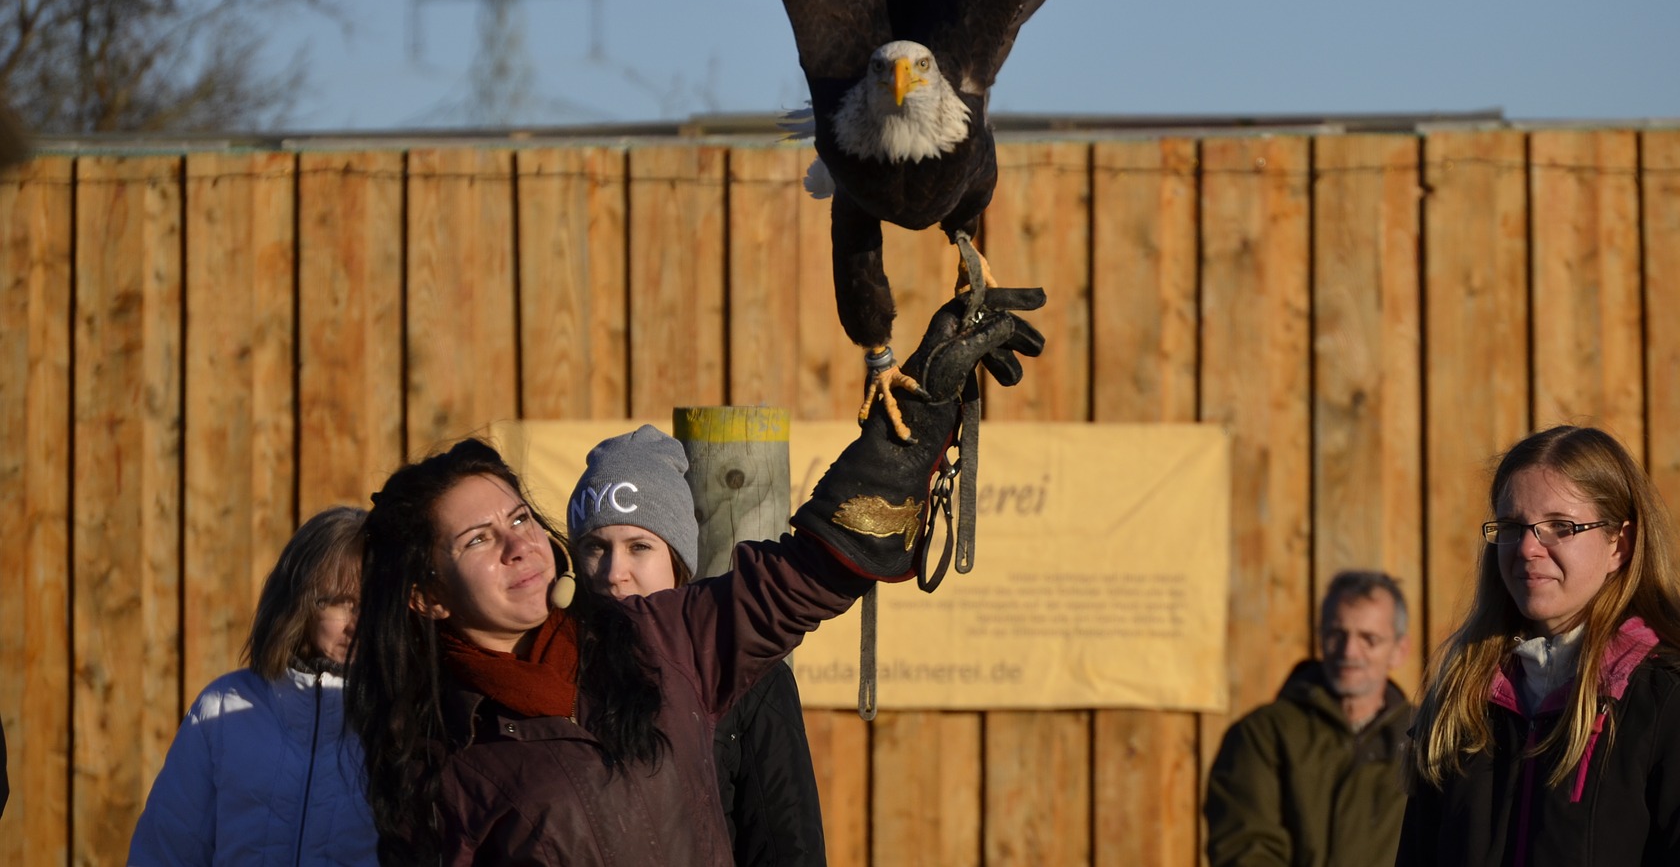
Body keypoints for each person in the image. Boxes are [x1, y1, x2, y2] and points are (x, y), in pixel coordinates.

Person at [346, 287, 1043, 865]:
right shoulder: (437, 760)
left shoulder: (661, 638)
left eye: (520, 518)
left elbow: (809, 570)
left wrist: (918, 410)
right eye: (478, 538)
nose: (517, 544)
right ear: (425, 594)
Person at [1396, 425, 1680, 866]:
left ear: (1619, 545)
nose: (1529, 548)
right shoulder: (1461, 699)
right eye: (1513, 526)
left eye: (1559, 527)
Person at [567, 425, 828, 867]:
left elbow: (787, 847)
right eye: (596, 546)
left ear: (677, 561)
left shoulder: (749, 673)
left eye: (639, 546)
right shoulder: (549, 664)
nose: (614, 571)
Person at [130, 506, 376, 865]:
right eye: (341, 602)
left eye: (373, 605)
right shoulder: (223, 710)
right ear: (299, 604)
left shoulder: (404, 720)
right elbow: (166, 850)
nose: (359, 623)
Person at [1205, 570, 1415, 866]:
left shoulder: (1427, 739)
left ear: (1398, 651)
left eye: (1369, 639)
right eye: (1335, 635)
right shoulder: (1263, 734)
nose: (1349, 651)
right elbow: (1245, 848)